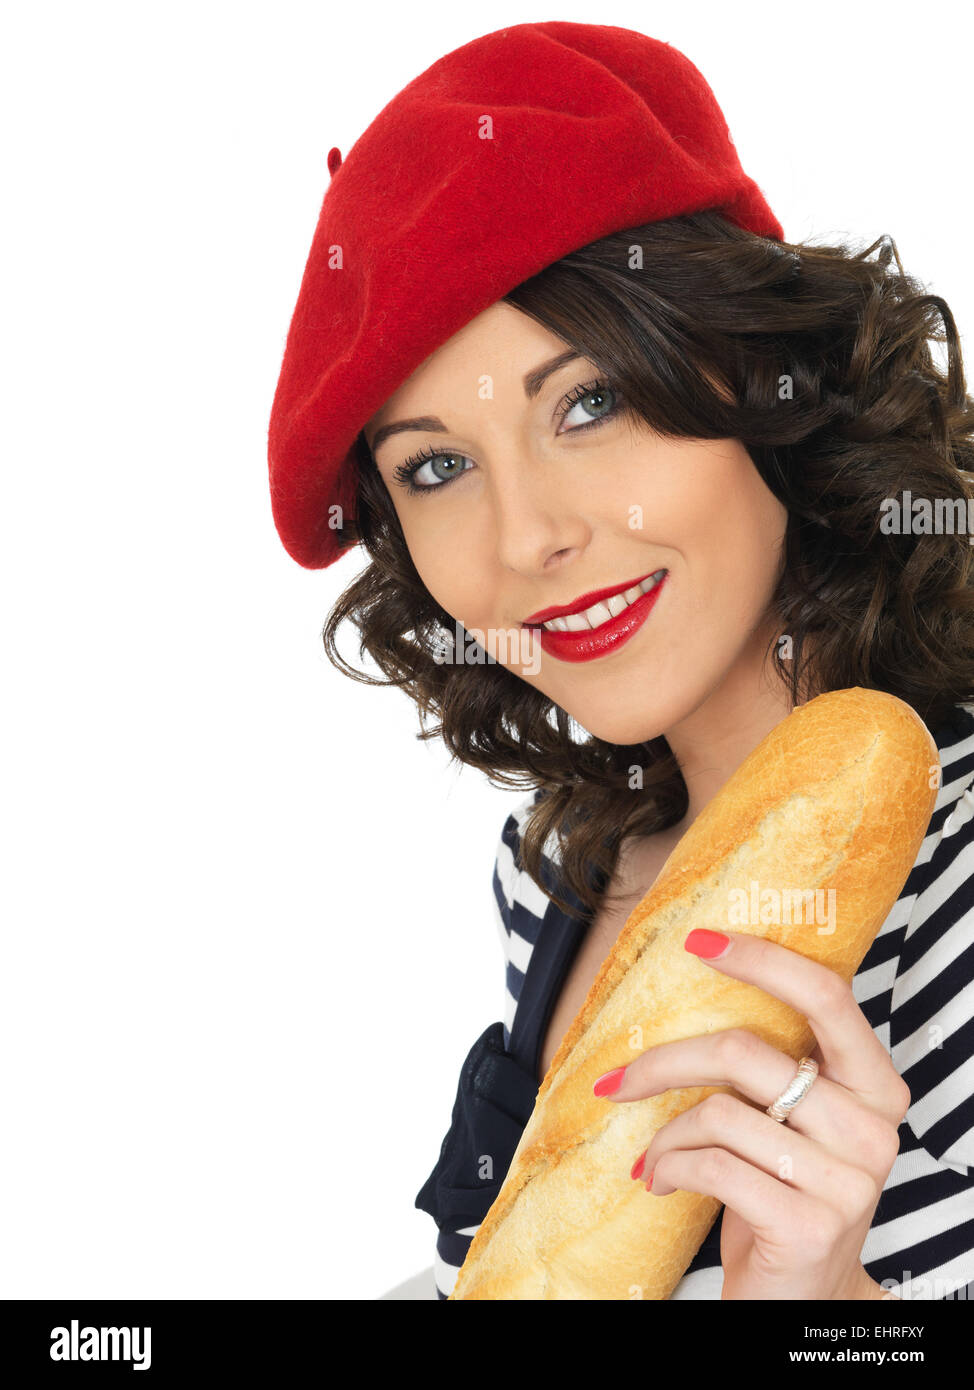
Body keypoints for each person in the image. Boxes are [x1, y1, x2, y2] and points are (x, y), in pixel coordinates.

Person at [267, 22, 974, 1300]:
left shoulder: (955, 881)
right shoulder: (557, 866)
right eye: (435, 467)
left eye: (588, 403)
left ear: (760, 376)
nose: (528, 536)